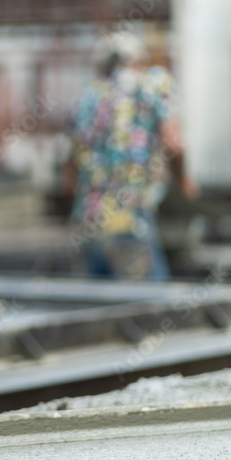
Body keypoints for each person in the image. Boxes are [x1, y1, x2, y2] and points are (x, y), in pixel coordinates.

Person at [63, 32, 198, 281]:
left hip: (87, 222)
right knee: (147, 309)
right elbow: (174, 144)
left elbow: (69, 174)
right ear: (138, 61)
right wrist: (184, 182)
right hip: (128, 218)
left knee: (92, 311)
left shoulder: (88, 96)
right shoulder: (153, 84)